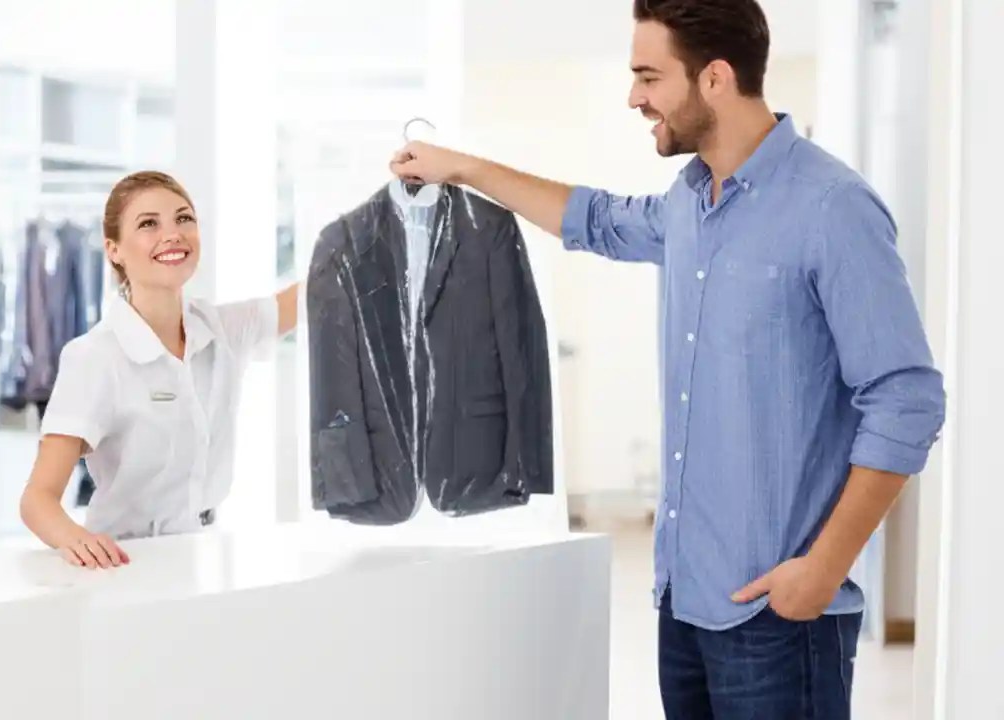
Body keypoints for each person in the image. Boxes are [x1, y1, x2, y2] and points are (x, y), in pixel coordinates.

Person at [390, 0, 945, 718]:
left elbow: (907, 400)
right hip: (685, 606)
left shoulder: (832, 208)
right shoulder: (686, 207)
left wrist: (826, 567)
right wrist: (459, 168)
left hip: (778, 618)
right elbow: (589, 218)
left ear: (714, 78)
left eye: (648, 76)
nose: (634, 97)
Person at [21, 171, 299, 570]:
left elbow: (322, 289)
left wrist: (405, 197)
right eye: (148, 224)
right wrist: (78, 540)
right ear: (114, 250)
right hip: (129, 560)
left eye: (184, 219)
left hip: (206, 553)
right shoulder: (94, 357)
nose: (172, 234)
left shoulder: (221, 329)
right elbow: (37, 499)